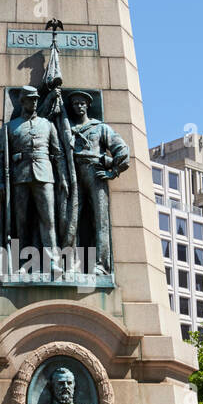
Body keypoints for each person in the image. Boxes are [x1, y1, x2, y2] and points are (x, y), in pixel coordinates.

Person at [0, 85, 62, 266]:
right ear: (22, 101)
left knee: (48, 220)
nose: (34, 102)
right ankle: (23, 262)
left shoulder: (47, 125)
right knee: (21, 222)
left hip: (45, 175)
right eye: (30, 99)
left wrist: (62, 178)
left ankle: (52, 261)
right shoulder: (11, 127)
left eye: (36, 99)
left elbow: (58, 154)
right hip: (19, 177)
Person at [67, 90, 130, 276]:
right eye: (75, 103)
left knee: (100, 220)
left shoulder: (100, 128)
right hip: (73, 174)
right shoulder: (67, 128)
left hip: (95, 173)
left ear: (87, 106)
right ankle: (71, 264)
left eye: (81, 103)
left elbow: (122, 151)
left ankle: (101, 264)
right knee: (71, 220)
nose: (78, 106)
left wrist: (113, 171)